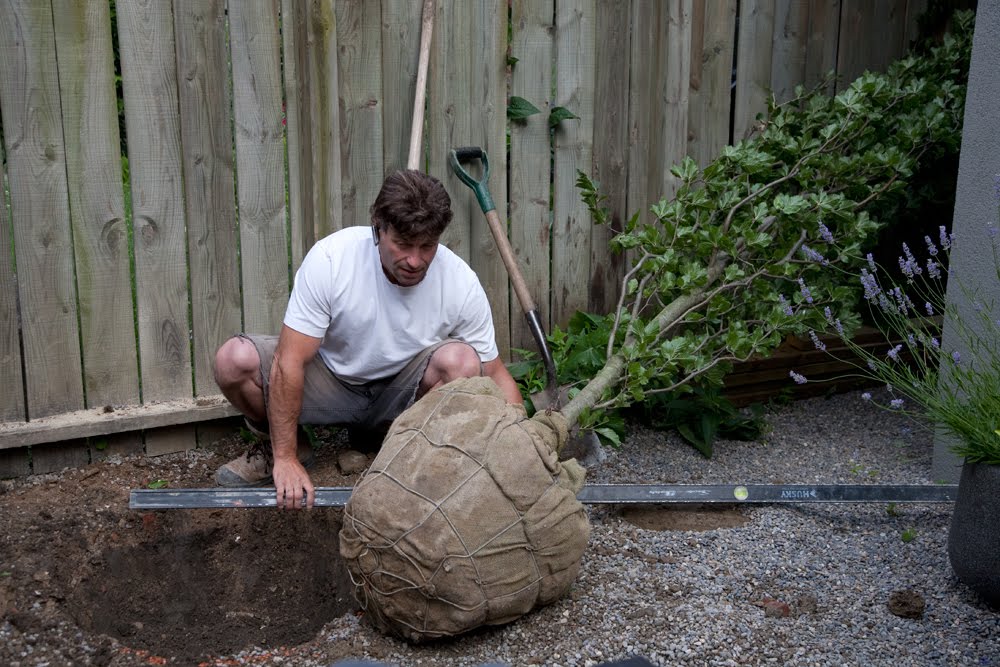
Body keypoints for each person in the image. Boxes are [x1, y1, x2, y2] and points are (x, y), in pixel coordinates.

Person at [212, 169, 522, 510]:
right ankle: (286, 447)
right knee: (233, 360)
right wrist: (284, 458)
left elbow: (493, 373)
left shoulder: (460, 281)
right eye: (402, 245)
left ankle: (403, 455)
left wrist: (525, 444)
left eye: (427, 246)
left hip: (401, 399)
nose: (415, 260)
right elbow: (289, 361)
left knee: (464, 362)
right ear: (378, 229)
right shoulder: (332, 259)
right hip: (332, 383)